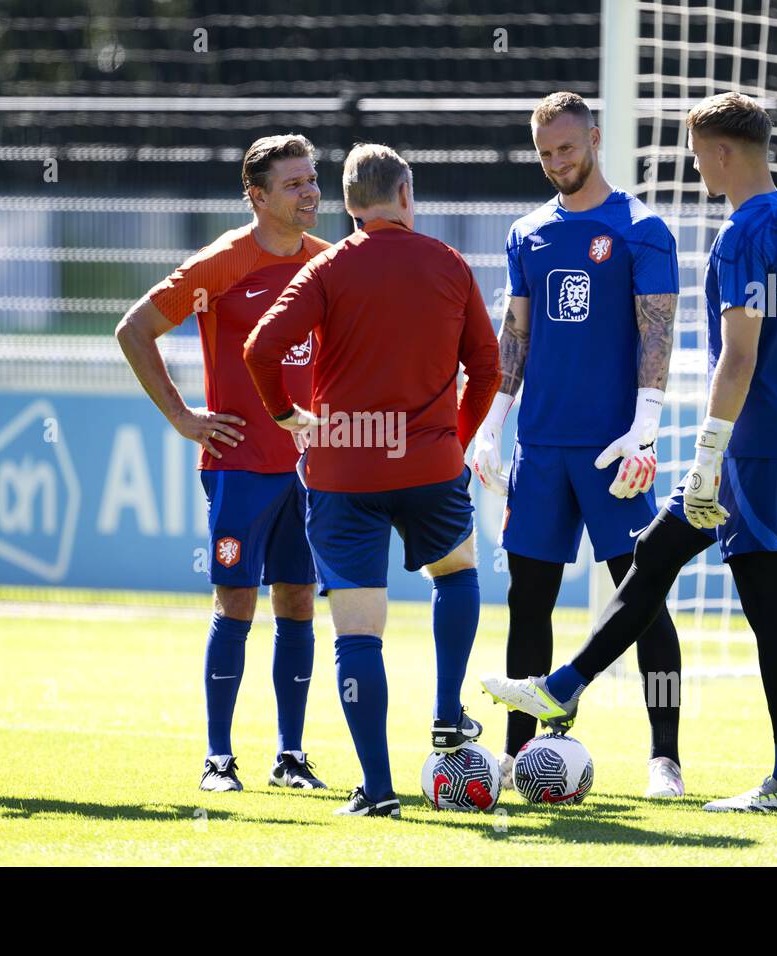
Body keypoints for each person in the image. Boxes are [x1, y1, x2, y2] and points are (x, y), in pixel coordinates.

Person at [481, 91, 777, 814]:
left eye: (699, 152)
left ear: (723, 153)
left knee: (726, 592)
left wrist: (704, 451)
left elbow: (737, 356)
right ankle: (564, 690)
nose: (695, 164)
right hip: (775, 433)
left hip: (742, 445)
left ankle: (758, 771)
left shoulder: (737, 234)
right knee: (675, 570)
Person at [244, 144, 500, 817]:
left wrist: (284, 414)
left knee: (359, 632)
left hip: (343, 467)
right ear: (406, 194)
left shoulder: (328, 267)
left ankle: (378, 789)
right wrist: (457, 440)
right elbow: (490, 367)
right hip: (428, 465)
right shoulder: (448, 264)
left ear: (349, 204)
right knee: (456, 571)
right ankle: (448, 713)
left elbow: (261, 349)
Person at [471, 91, 685, 798]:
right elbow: (519, 332)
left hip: (613, 450)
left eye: (567, 147)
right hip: (541, 449)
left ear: (594, 137)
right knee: (527, 600)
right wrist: (492, 422)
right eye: (545, 153)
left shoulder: (643, 227)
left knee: (643, 594)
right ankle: (515, 755)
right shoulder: (527, 231)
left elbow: (657, 330)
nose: (557, 162)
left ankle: (664, 758)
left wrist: (645, 423)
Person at [115, 134, 330, 792]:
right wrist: (184, 418)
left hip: (309, 471)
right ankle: (218, 760)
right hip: (238, 467)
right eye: (293, 184)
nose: (310, 191)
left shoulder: (330, 263)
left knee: (297, 601)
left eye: (313, 178)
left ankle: (290, 758)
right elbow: (134, 329)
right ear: (257, 197)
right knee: (235, 600)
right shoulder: (221, 265)